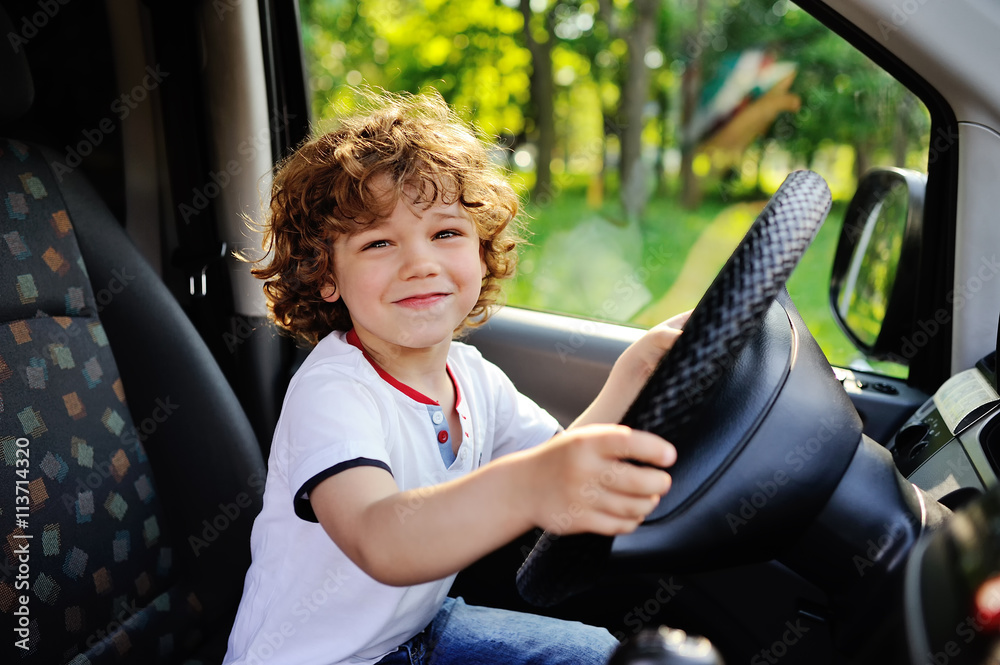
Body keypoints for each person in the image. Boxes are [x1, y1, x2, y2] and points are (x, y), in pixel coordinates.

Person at [223, 89, 687, 665]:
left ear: (482, 252)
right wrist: (529, 485)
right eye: (378, 243)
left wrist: (636, 371)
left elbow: (563, 465)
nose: (421, 263)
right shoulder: (333, 391)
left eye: (445, 234)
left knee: (599, 654)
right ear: (326, 276)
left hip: (416, 631)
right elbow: (379, 538)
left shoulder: (472, 376)